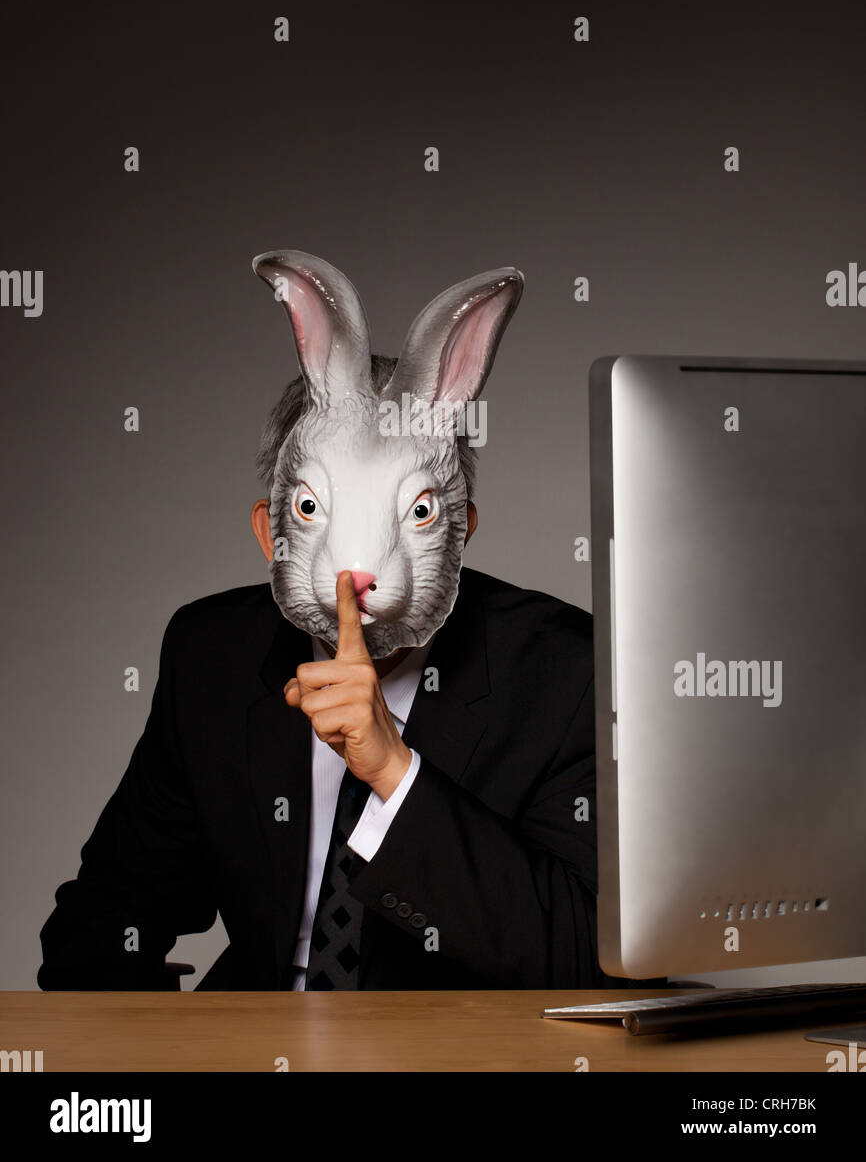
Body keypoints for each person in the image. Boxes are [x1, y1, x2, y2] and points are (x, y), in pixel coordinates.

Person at [38, 253, 637, 991]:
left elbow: (584, 956)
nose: (360, 573)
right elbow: (104, 924)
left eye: (416, 514)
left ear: (460, 530)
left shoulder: (568, 673)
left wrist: (394, 769)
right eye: (313, 511)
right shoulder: (211, 657)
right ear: (271, 534)